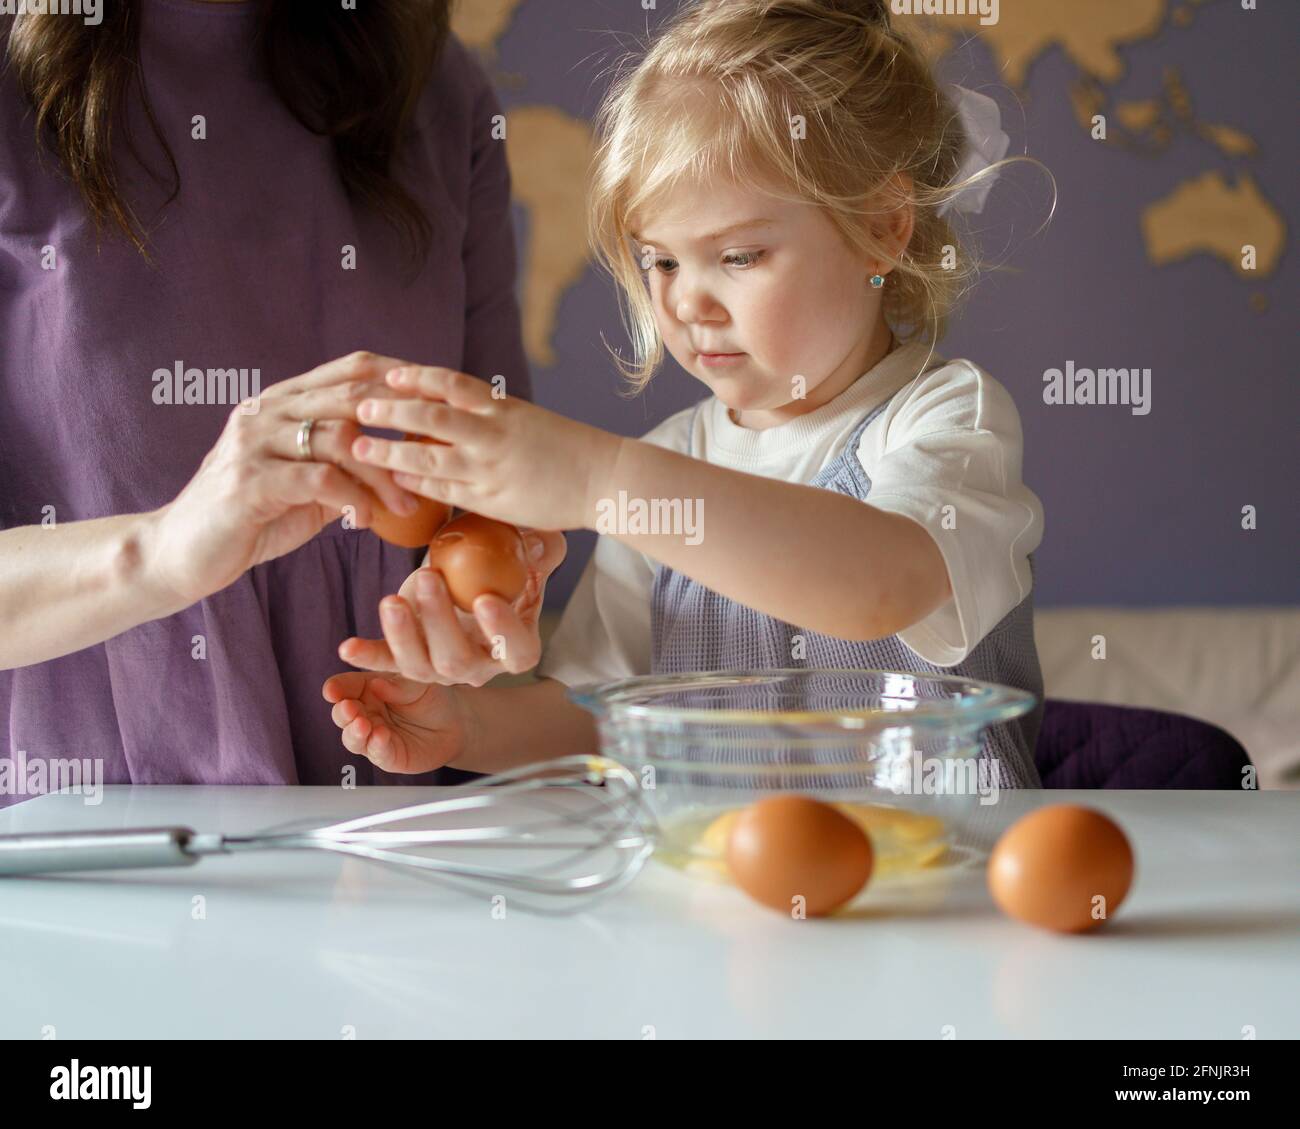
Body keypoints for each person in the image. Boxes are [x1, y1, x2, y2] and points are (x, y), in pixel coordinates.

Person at [323, 0, 1048, 788]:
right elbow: (600, 716)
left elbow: (879, 584)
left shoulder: (945, 416)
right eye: (661, 262)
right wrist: (467, 725)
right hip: (716, 900)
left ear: (883, 226)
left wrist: (602, 482)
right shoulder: (666, 461)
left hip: (939, 891)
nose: (685, 302)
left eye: (737, 256)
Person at [0, 0, 564, 803]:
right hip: (83, 836)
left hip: (383, 830)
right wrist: (158, 554)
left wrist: (491, 604)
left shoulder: (435, 88)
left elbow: (493, 492)